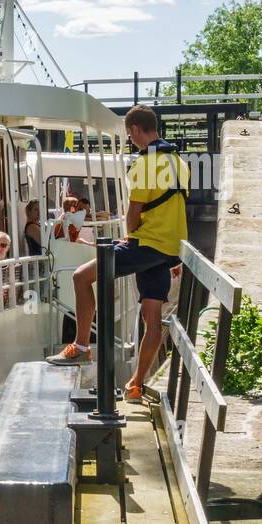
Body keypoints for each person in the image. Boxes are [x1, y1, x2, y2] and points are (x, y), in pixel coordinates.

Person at [47, 104, 191, 404]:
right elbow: (175, 209)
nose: (131, 140)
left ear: (136, 130)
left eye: (130, 135)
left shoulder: (144, 164)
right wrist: (175, 257)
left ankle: (82, 346)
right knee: (152, 317)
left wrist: (129, 237)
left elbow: (134, 213)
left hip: (146, 243)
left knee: (81, 277)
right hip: (168, 249)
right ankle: (136, 384)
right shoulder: (180, 162)